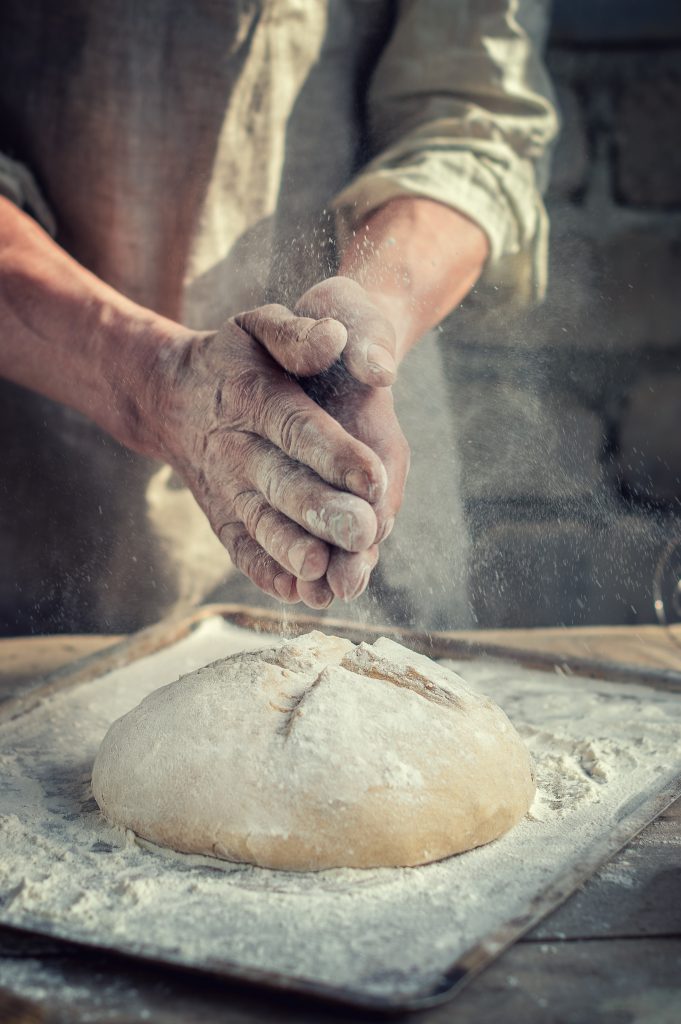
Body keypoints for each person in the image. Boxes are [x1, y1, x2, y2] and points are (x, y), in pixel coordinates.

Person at [0, 1, 558, 634]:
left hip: (343, 422)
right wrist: (154, 376)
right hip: (41, 397)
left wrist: (372, 314)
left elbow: (470, 122)